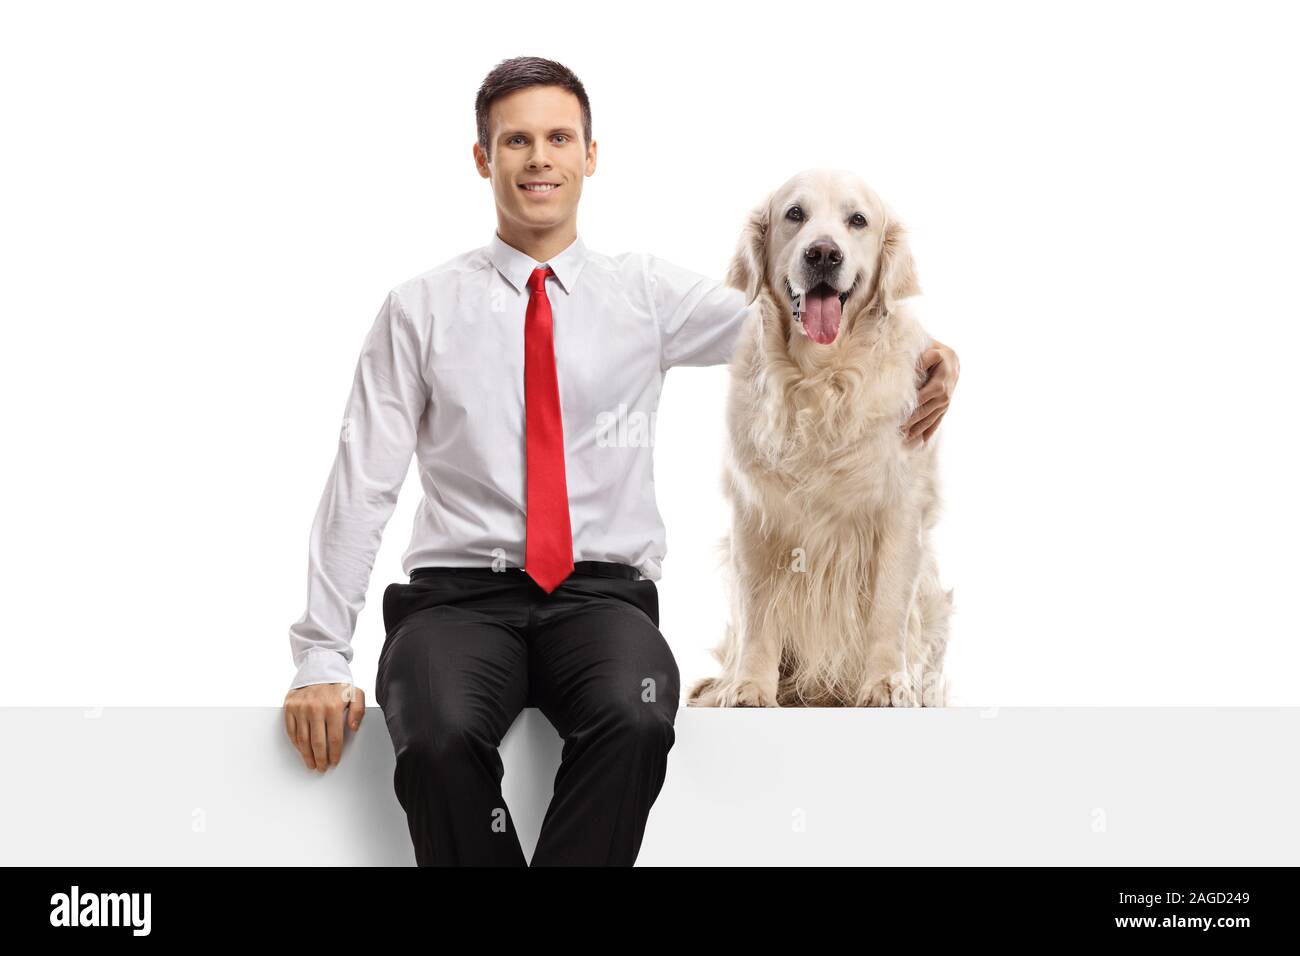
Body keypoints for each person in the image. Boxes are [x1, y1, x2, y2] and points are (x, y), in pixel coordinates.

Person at [281, 55, 961, 866]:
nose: (540, 158)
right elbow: (362, 483)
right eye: (517, 141)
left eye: (559, 138)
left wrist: (932, 355)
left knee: (638, 717)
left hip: (600, 602)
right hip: (452, 605)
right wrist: (321, 654)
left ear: (589, 155)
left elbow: (803, 314)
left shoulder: (644, 295)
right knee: (433, 735)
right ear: (482, 158)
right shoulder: (419, 309)